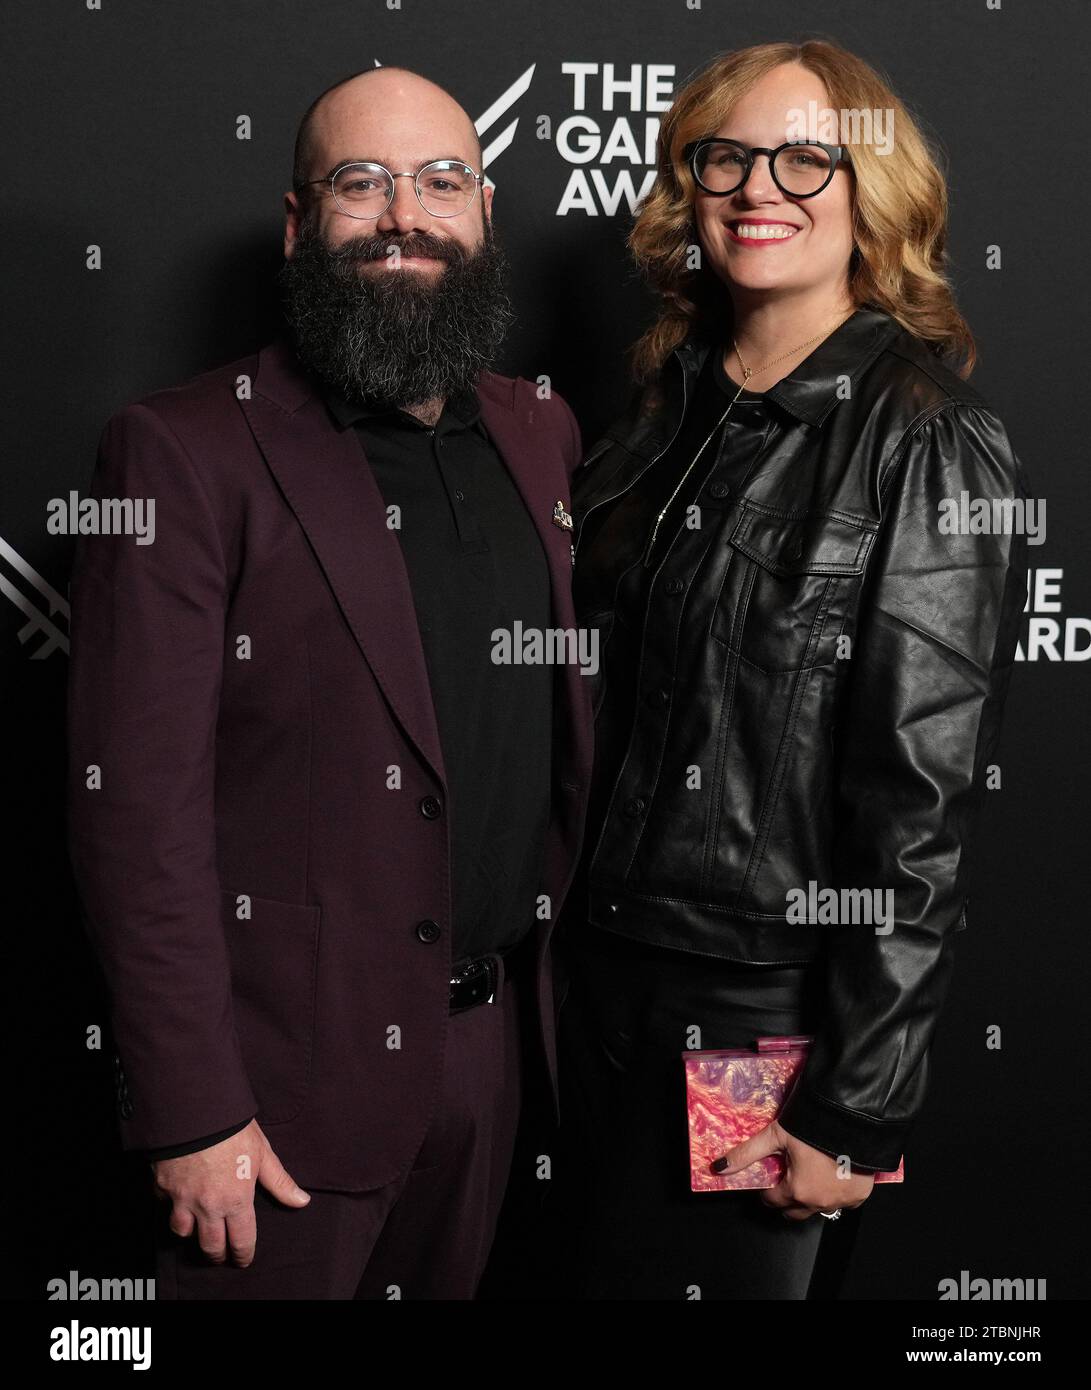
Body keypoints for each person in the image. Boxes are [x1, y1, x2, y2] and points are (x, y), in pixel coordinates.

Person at [67, 65, 592, 1300]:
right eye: (361, 182)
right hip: (276, 1099)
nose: (403, 213)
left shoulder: (541, 433)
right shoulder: (181, 451)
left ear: (481, 214)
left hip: (497, 1063)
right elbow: (131, 814)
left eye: (439, 180)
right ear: (302, 223)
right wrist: (191, 1111)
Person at [555, 40, 1028, 1299]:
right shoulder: (662, 411)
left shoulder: (923, 435)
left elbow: (917, 806)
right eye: (725, 155)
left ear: (871, 189)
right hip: (591, 985)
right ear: (686, 187)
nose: (759, 186)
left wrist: (854, 1100)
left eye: (806, 155)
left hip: (757, 1015)